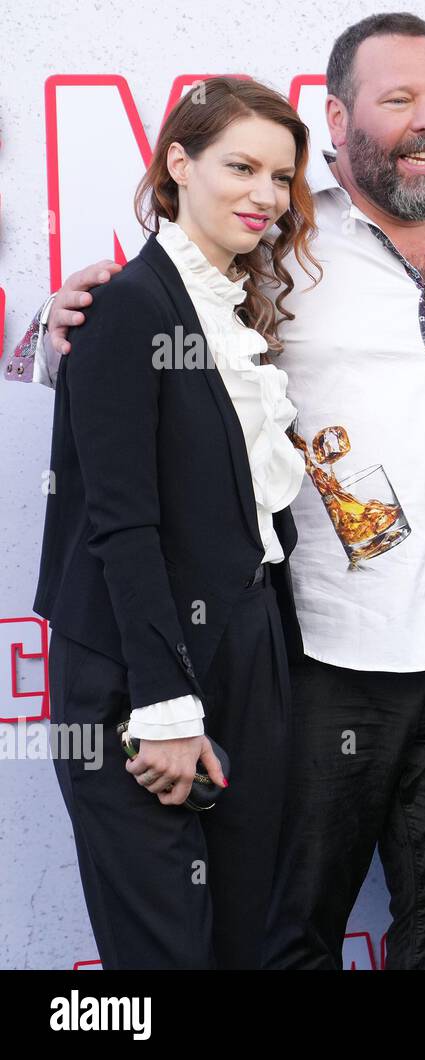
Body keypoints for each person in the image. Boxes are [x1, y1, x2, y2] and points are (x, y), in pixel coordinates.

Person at [9, 14, 425, 970]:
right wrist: (50, 323)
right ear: (338, 118)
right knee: (284, 933)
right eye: (398, 99)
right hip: (322, 650)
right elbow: (133, 403)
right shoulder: (283, 238)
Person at [30, 77, 316, 969]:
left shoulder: (231, 308)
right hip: (134, 669)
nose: (263, 195)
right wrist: (164, 705)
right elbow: (122, 525)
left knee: (242, 940)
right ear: (177, 163)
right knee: (163, 954)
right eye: (240, 166)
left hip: (247, 648)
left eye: (281, 177)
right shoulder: (125, 306)